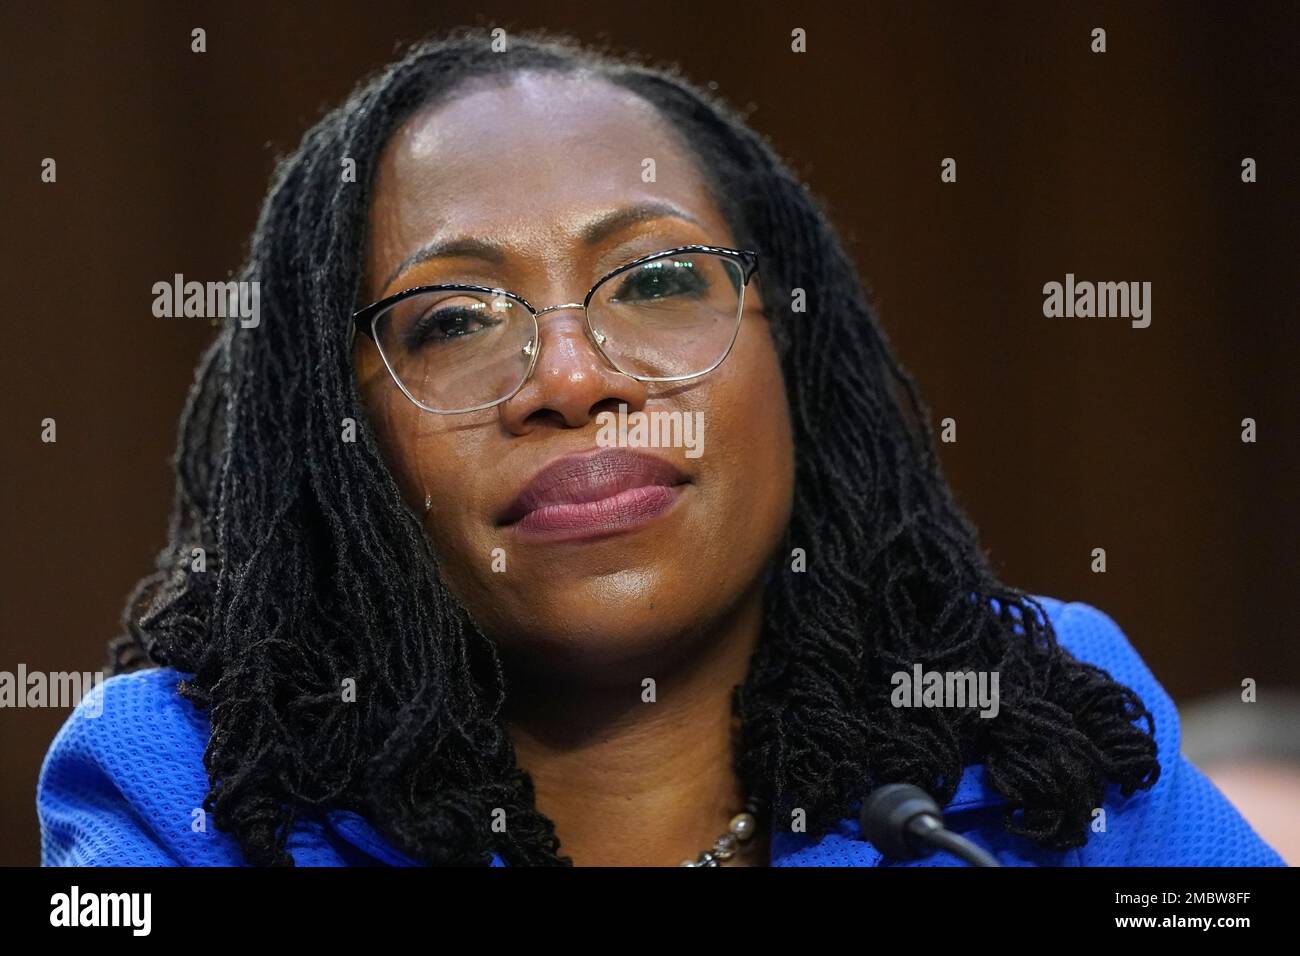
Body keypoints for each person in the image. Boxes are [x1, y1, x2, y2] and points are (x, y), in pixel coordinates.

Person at [37, 27, 1283, 867]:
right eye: (454, 319)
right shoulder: (173, 788)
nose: (572, 380)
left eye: (657, 279)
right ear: (338, 434)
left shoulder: (1042, 713)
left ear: (797, 352)